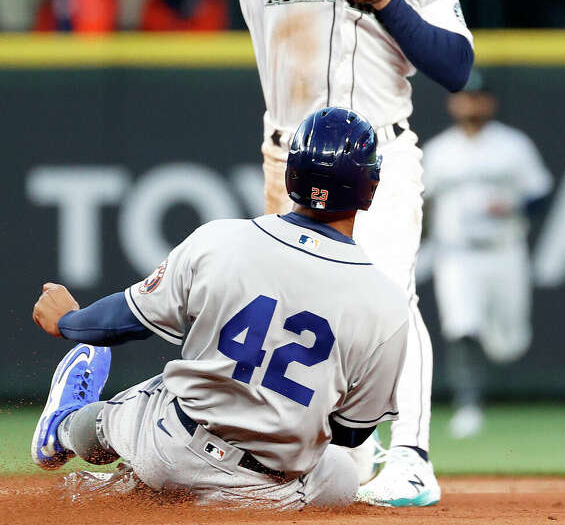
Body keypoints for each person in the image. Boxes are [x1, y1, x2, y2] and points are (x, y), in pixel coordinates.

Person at [69, 0, 474, 507]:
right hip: (285, 157)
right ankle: (176, 438)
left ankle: (411, 454)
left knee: (386, 292)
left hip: (377, 158)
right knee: (262, 310)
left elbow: (456, 67)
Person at [31, 107, 410, 509]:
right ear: (369, 188)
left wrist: (67, 322)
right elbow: (350, 433)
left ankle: (64, 429)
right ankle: (172, 489)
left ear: (292, 175)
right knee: (343, 471)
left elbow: (127, 321)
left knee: (150, 396)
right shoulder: (386, 304)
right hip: (267, 492)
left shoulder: (220, 240)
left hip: (170, 446)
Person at [419, 70, 552, 439]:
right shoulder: (438, 151)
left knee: (508, 342)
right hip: (457, 255)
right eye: (465, 96)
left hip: (504, 251)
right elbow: (421, 206)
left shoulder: (513, 146)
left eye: (478, 96)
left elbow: (540, 194)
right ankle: (469, 405)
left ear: (489, 102)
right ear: (452, 103)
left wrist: (512, 205)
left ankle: (495, 345)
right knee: (462, 327)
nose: (471, 103)